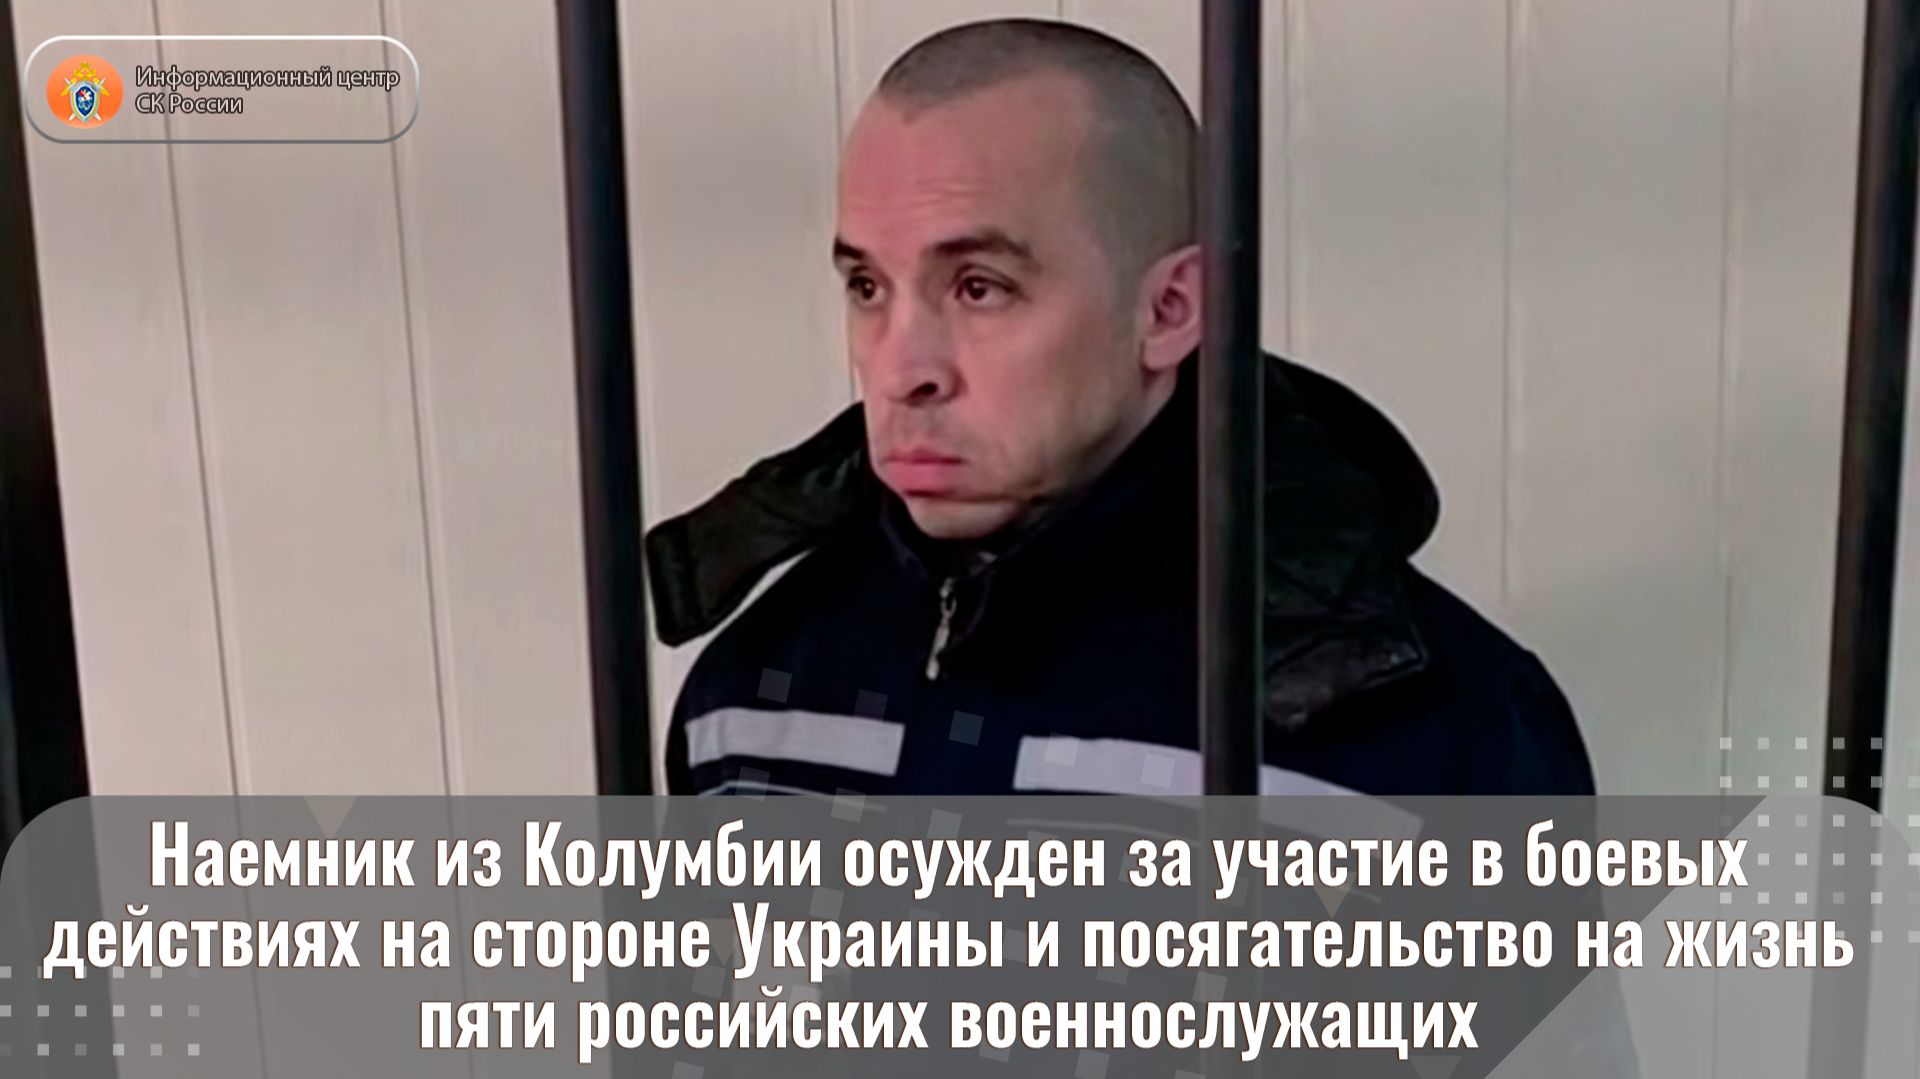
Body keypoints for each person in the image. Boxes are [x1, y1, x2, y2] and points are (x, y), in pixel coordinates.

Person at [646, 18, 1597, 800]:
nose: (900, 370)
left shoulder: (1432, 730)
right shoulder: (751, 694)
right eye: (867, 286)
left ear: (1171, 309)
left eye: (979, 287)